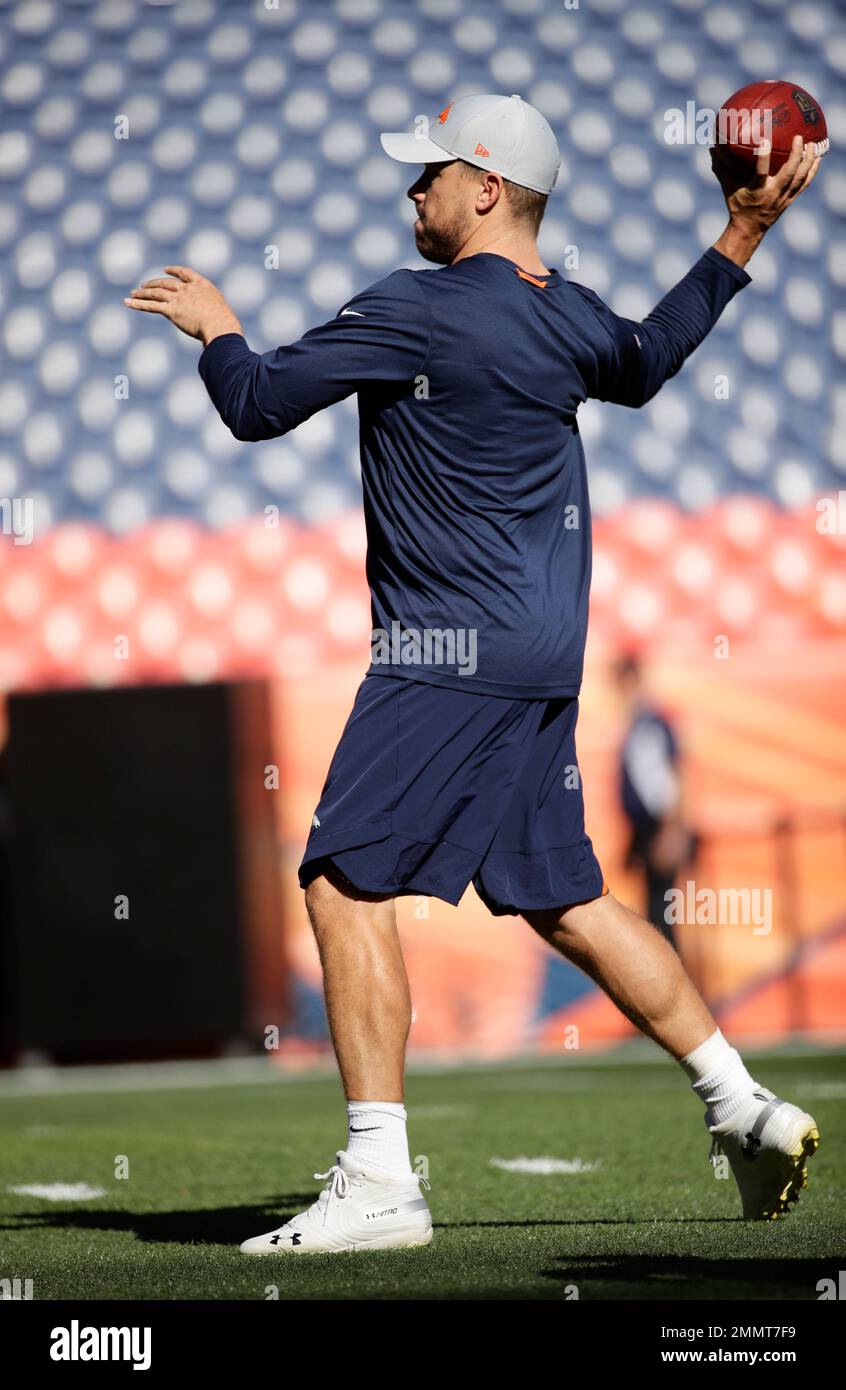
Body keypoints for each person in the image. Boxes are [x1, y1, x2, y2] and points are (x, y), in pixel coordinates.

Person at [125, 94, 821, 1252]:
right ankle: (744, 1106)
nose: (413, 192)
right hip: (544, 654)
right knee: (568, 900)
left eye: (429, 174)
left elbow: (256, 407)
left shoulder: (418, 307)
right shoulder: (566, 314)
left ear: (487, 189)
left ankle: (380, 1178)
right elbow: (647, 362)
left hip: (446, 651)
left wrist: (217, 326)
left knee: (342, 881)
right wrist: (741, 234)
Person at [615, 652, 695, 948]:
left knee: (661, 920)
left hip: (658, 831)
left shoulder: (648, 725)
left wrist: (671, 830)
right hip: (650, 832)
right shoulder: (641, 723)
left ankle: (670, 992)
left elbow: (666, 782)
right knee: (656, 915)